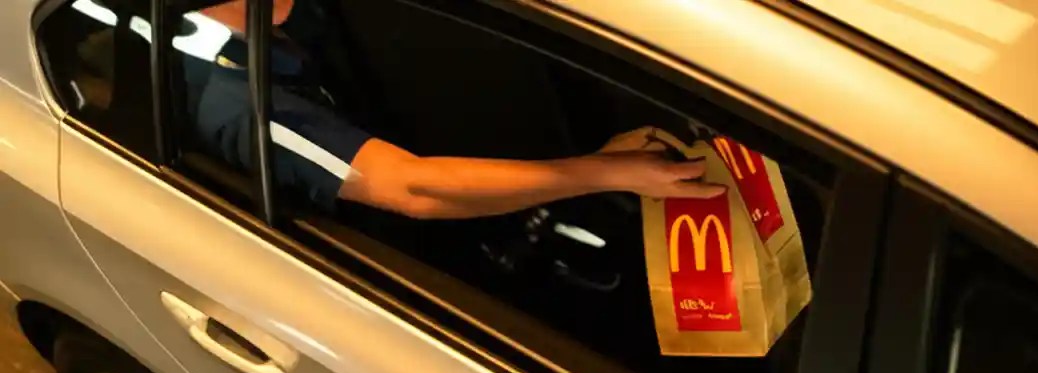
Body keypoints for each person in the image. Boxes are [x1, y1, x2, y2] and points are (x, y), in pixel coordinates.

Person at [184, 0, 723, 219]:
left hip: (570, 120)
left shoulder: (319, 14)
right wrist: (606, 172)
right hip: (484, 243)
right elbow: (413, 186)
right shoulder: (245, 103)